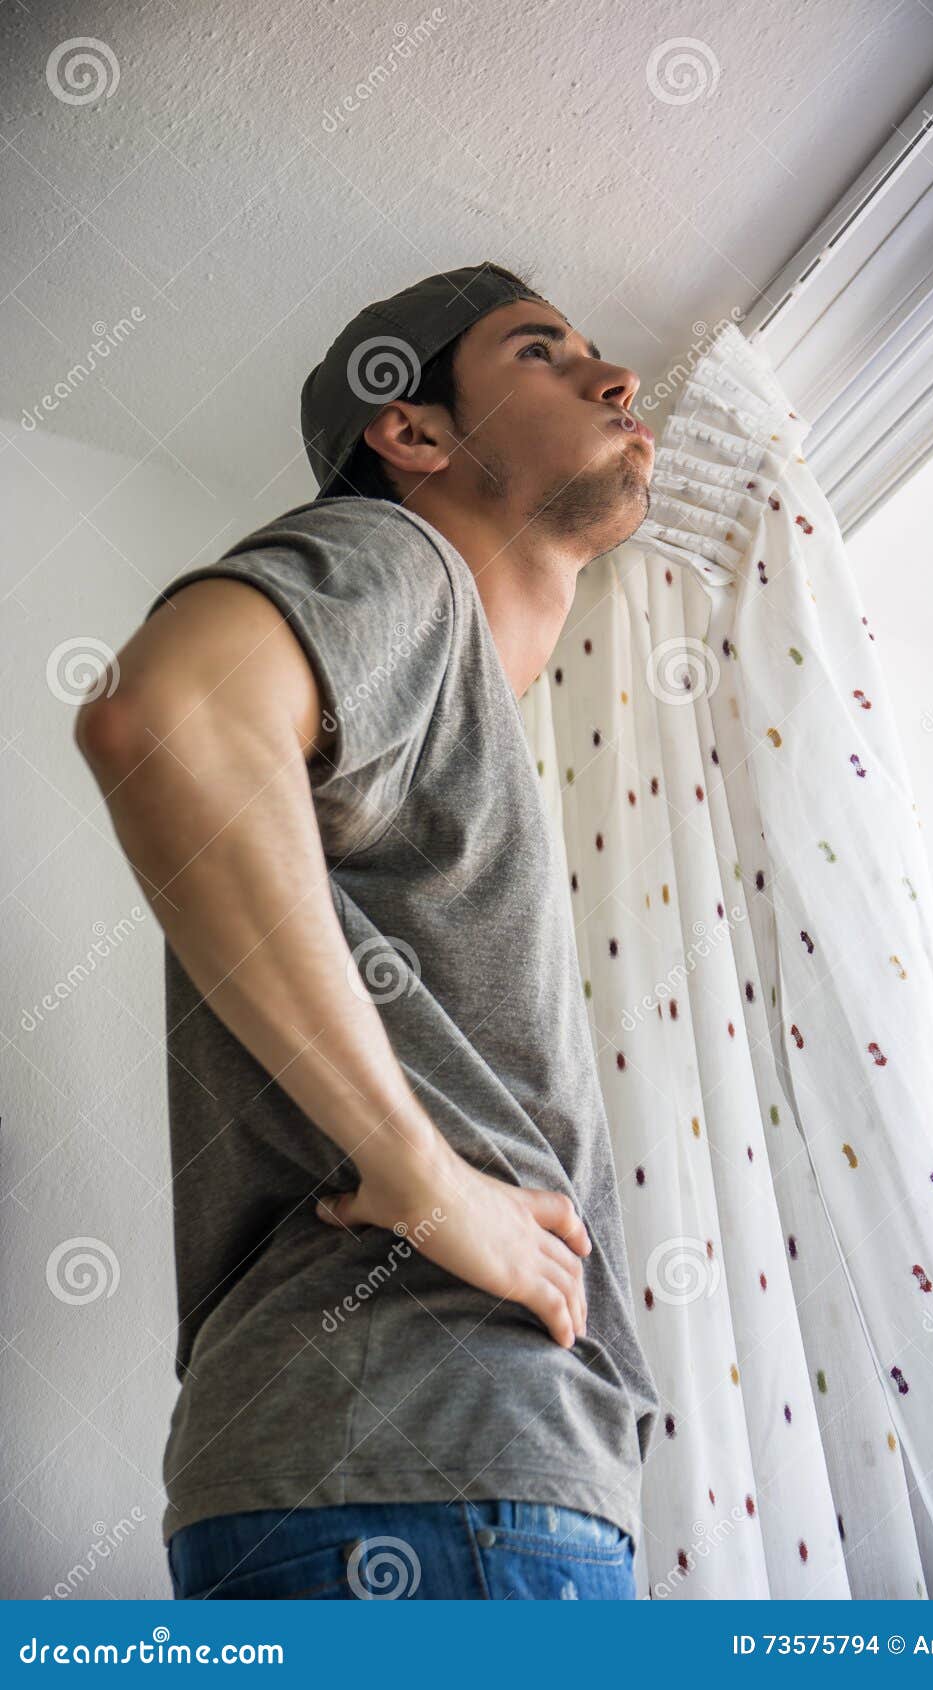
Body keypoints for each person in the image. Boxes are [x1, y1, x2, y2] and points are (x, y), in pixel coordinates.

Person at [76, 261, 661, 1600]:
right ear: (414, 432)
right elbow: (163, 719)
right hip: (433, 1475)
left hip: (416, 1478)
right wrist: (428, 1175)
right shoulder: (403, 565)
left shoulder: (436, 708)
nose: (617, 378)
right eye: (540, 354)